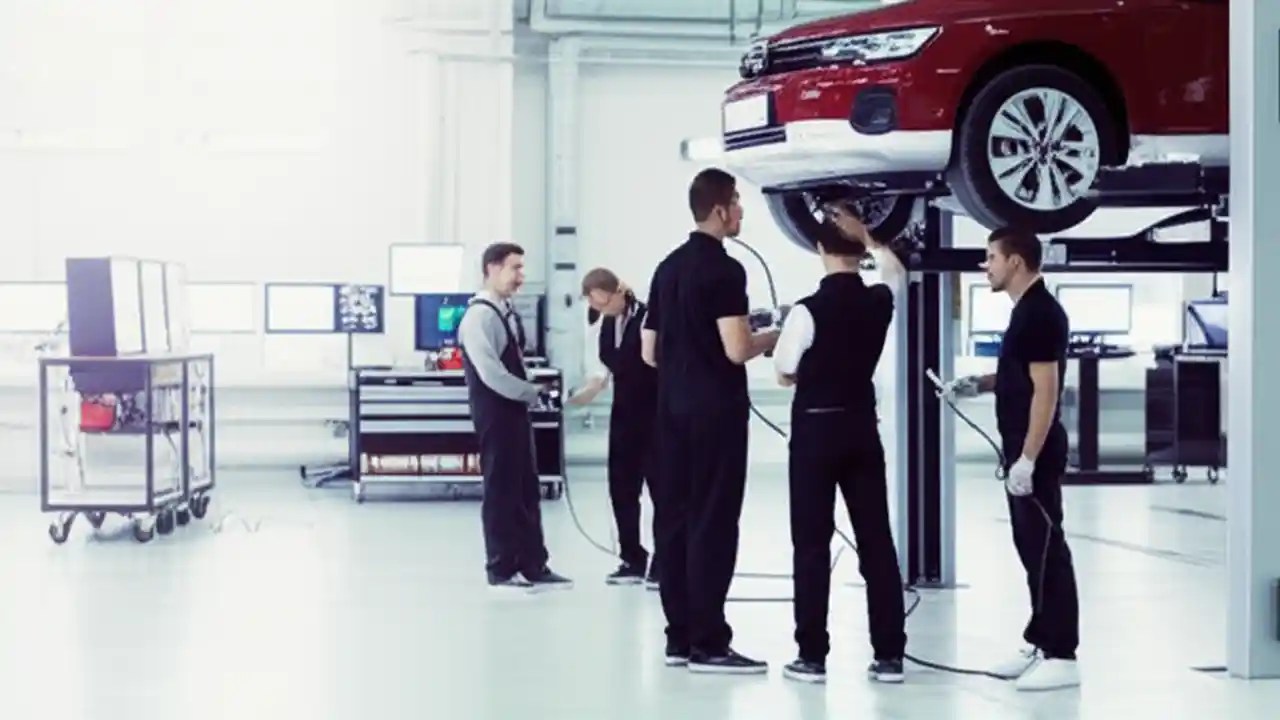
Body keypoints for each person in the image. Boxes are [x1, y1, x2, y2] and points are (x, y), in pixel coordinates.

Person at [641, 168, 780, 674]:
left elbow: (649, 351)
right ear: (720, 210)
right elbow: (738, 348)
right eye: (738, 203)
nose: (741, 212)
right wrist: (775, 336)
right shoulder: (725, 271)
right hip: (715, 414)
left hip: (670, 413)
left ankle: (679, 638)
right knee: (714, 521)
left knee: (673, 520)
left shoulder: (666, 268)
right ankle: (710, 642)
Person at [771, 202, 908, 685]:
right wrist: (870, 236)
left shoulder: (806, 311)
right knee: (876, 542)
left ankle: (812, 656)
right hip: (860, 430)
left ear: (820, 249)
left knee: (811, 544)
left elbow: (785, 368)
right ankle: (889, 655)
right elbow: (895, 273)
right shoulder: (877, 302)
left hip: (814, 433)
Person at [940, 227, 1081, 691]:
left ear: (1016, 261)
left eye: (991, 258)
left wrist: (1027, 459)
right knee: (1029, 547)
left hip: (1033, 449)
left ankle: (1062, 653)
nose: (986, 267)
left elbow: (1046, 390)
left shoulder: (1040, 314)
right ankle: (1041, 640)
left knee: (1045, 549)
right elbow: (1020, 375)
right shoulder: (1026, 312)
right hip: (1022, 445)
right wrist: (978, 383)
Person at [457, 242, 573, 592]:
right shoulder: (479, 317)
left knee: (525, 489)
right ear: (491, 268)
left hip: (515, 413)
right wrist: (534, 392)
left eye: (522, 268)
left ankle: (534, 564)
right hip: (496, 414)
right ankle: (502, 568)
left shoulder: (504, 310)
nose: (521, 276)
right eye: (515, 268)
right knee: (502, 492)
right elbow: (492, 374)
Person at [568, 268, 661, 589]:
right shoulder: (607, 323)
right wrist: (587, 391)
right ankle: (632, 557)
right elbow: (604, 368)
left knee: (662, 491)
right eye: (595, 305)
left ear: (618, 291)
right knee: (622, 489)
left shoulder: (650, 317)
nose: (600, 310)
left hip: (655, 415)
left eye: (603, 302)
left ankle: (664, 560)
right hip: (623, 416)